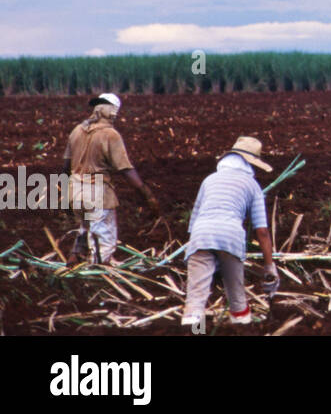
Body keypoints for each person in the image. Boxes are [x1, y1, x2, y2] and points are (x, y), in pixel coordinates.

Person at [182, 137, 278, 328]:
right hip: (231, 237)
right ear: (250, 164)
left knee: (196, 298)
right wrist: (269, 266)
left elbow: (193, 222)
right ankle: (241, 327)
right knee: (236, 296)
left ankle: (193, 330)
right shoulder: (253, 185)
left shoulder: (209, 180)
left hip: (201, 235)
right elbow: (262, 231)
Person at [61, 92, 159, 264]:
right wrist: (148, 195)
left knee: (85, 227)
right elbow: (126, 170)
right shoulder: (110, 135)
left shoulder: (76, 131)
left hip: (75, 192)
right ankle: (97, 272)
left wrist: (64, 197)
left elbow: (65, 168)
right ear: (113, 112)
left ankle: (74, 259)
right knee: (103, 241)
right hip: (97, 193)